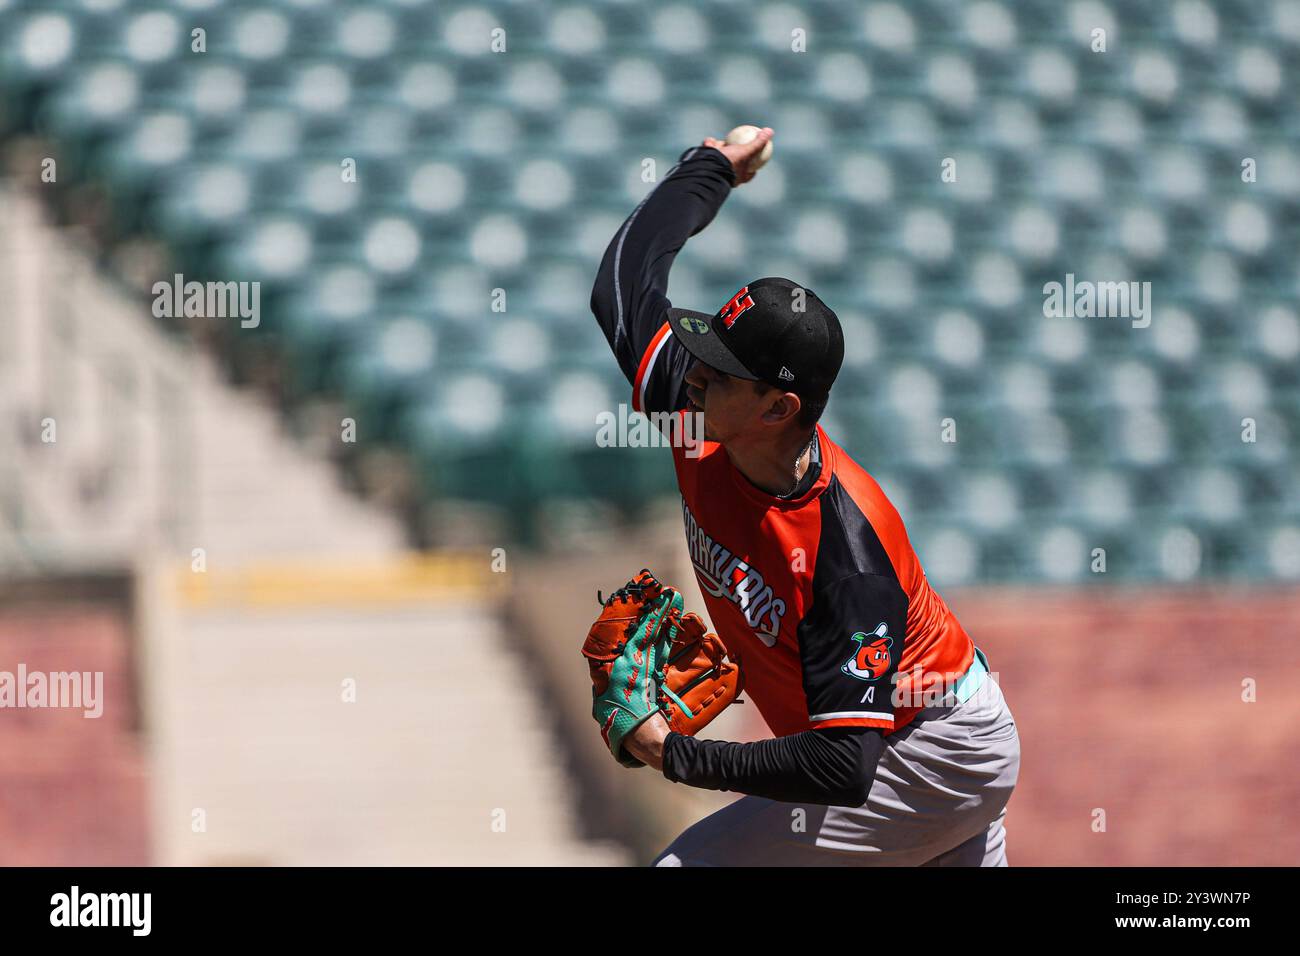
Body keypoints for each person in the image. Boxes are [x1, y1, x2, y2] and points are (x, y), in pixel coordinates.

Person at [589, 129, 1020, 865]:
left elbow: (840, 768)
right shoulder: (700, 417)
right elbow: (623, 282)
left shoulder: (845, 554)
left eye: (719, 372)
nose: (692, 376)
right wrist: (711, 168)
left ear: (776, 410)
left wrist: (673, 755)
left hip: (931, 752)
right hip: (905, 743)